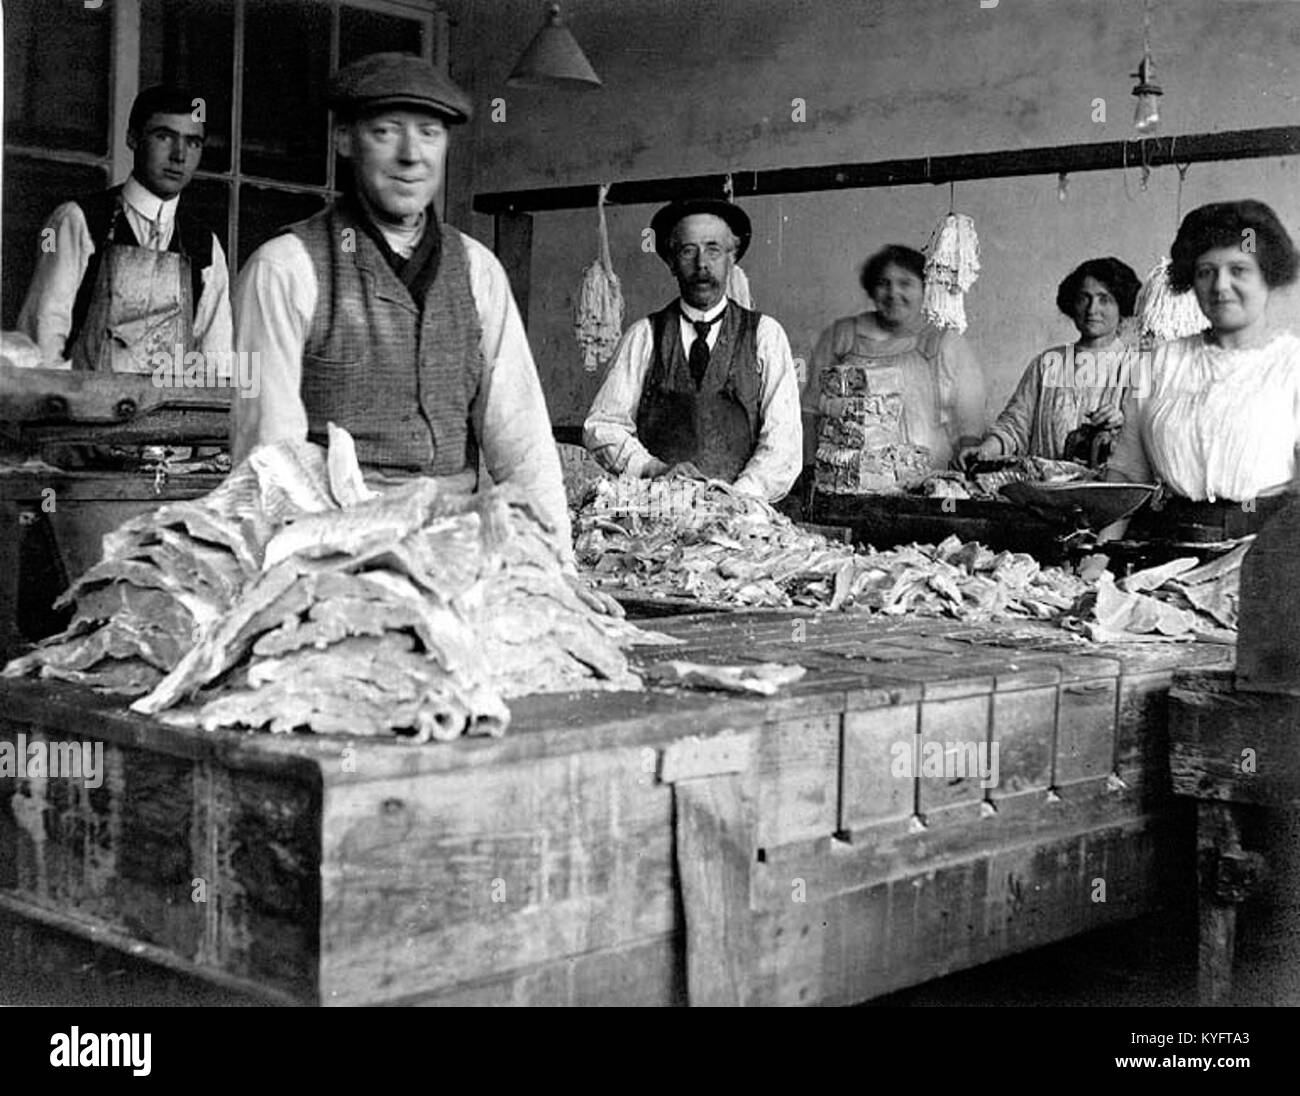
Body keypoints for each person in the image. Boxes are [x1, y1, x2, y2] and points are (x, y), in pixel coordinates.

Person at [231, 52, 571, 548]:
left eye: (429, 133)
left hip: (458, 540)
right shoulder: (284, 268)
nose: (412, 155)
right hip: (333, 543)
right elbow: (268, 462)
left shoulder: (478, 270)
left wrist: (556, 563)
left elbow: (522, 439)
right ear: (345, 139)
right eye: (387, 131)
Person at [1105, 199, 1300, 541]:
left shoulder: (1291, 365)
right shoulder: (1160, 363)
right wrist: (1101, 551)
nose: (1220, 286)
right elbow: (1128, 474)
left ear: (1267, 277)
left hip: (1265, 546)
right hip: (1170, 545)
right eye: (1206, 271)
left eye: (1239, 270)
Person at [583, 198, 802, 501]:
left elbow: (784, 444)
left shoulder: (765, 336)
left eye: (714, 249)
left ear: (732, 258)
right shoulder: (644, 336)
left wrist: (737, 497)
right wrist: (652, 469)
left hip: (743, 523)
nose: (702, 264)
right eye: (688, 250)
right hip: (658, 515)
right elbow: (602, 426)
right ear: (672, 263)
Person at [17, 85, 232, 373]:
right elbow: (41, 341)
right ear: (133, 138)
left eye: (193, 142)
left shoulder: (206, 246)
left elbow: (217, 362)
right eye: (164, 136)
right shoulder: (75, 221)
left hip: (169, 415)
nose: (179, 155)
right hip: (84, 410)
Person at [804, 244, 986, 489]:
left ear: (925, 289)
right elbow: (810, 410)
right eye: (883, 283)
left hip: (926, 481)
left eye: (905, 283)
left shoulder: (944, 342)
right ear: (871, 288)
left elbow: (970, 422)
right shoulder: (842, 335)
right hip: (850, 482)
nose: (893, 293)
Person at [958, 257, 1141, 467]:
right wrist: (984, 450)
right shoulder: (1049, 363)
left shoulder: (1135, 367)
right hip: (1046, 491)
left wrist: (1122, 425)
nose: (1092, 309)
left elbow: (1150, 438)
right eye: (1084, 298)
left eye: (1104, 299)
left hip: (1107, 492)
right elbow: (1015, 426)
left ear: (1122, 306)